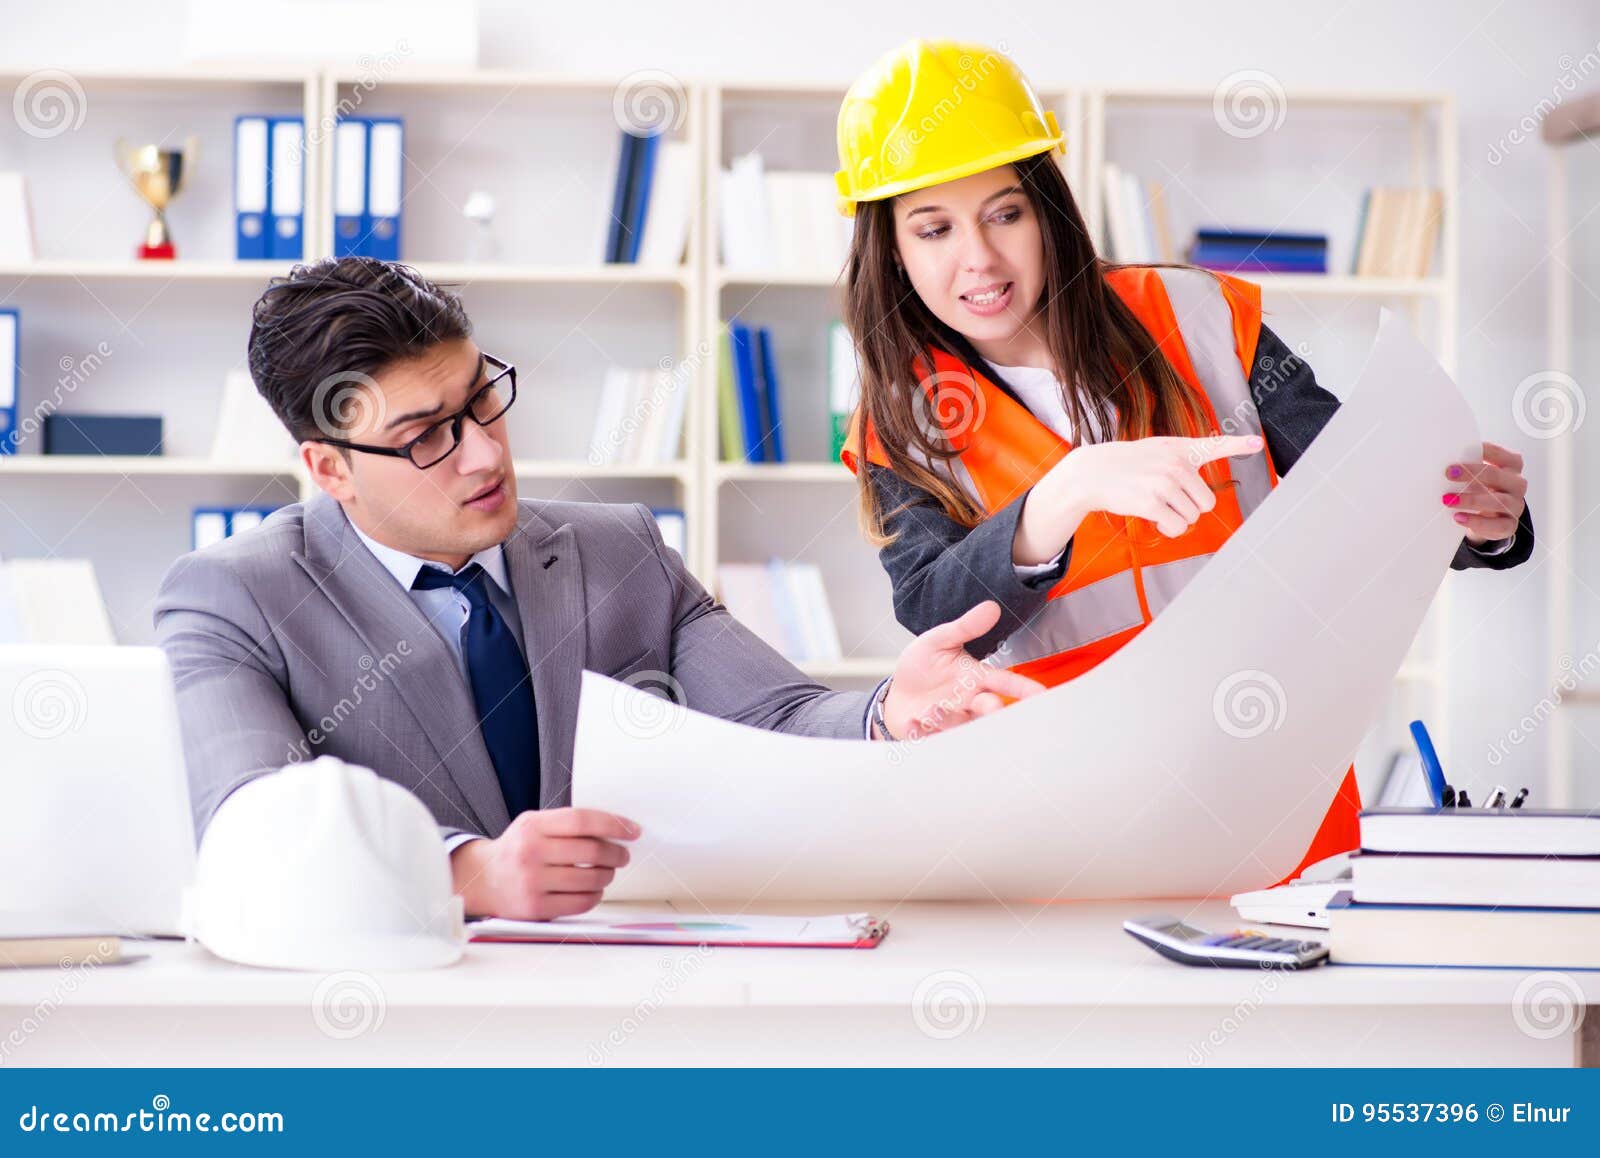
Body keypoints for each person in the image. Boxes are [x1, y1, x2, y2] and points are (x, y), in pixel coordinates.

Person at [154, 257, 1042, 920]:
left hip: (621, 1009)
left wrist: (893, 710)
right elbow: (250, 827)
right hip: (395, 1020)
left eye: (483, 399)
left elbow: (776, 719)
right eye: (426, 435)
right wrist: (465, 875)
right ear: (329, 468)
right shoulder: (235, 598)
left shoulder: (620, 550)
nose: (483, 452)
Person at [834, 40, 1533, 879]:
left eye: (1004, 212)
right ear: (893, 250)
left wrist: (1481, 523)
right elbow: (932, 611)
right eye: (933, 228)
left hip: (1273, 771)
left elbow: (1361, 479)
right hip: (1074, 807)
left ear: (1047, 209)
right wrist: (1065, 494)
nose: (977, 258)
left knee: (1315, 997)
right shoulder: (902, 422)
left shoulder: (1190, 315)